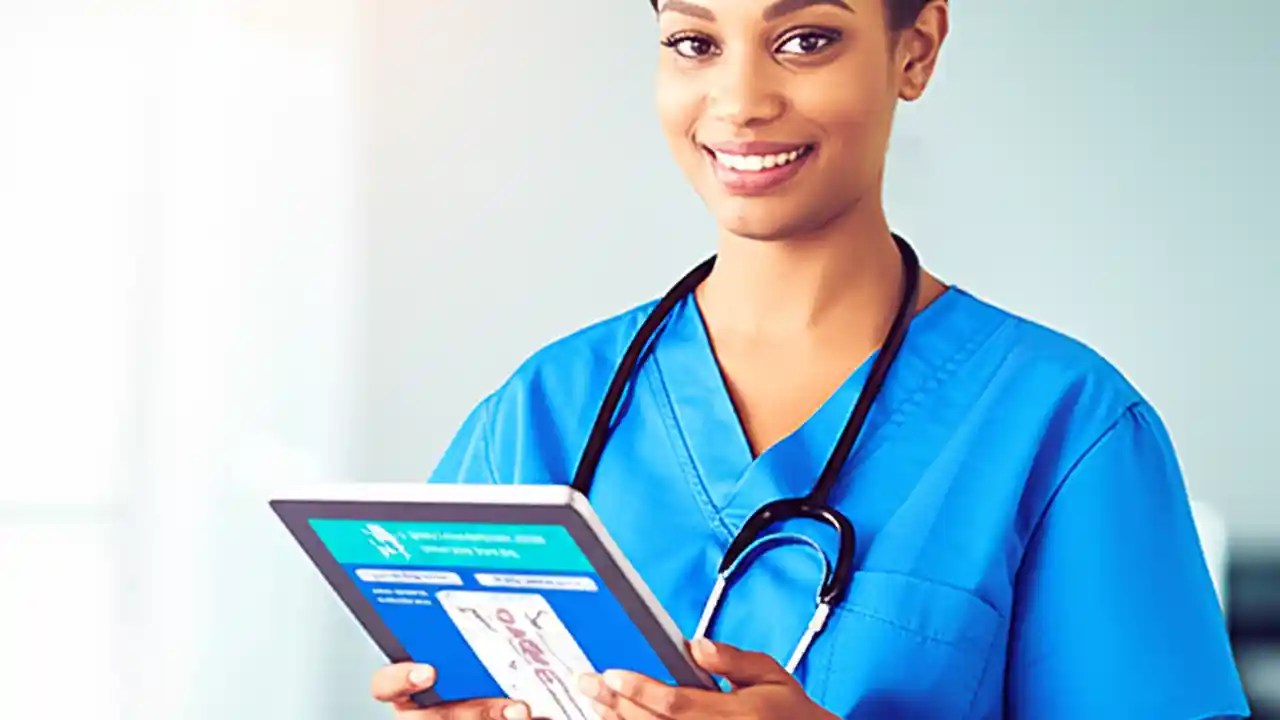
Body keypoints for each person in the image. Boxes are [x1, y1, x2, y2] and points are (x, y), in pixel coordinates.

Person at [369, 0, 1251, 717]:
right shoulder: (543, 414)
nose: (741, 97)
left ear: (916, 51)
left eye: (805, 40)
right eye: (694, 41)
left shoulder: (1067, 429)